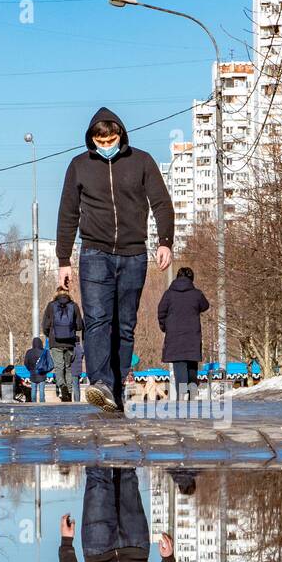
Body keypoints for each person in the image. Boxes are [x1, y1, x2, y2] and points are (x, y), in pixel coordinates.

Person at [56, 107, 175, 413]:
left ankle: (117, 388)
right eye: (100, 138)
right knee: (97, 320)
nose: (106, 144)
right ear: (91, 138)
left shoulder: (142, 161)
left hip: (134, 254)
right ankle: (101, 383)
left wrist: (165, 242)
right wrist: (63, 259)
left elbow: (161, 202)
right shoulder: (79, 165)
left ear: (121, 135)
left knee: (124, 326)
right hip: (94, 253)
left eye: (111, 138)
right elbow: (68, 212)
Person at [157, 265, 210, 401]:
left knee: (179, 363)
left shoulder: (168, 294)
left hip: (174, 336)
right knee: (192, 364)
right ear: (192, 278)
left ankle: (182, 393)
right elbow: (205, 306)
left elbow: (161, 311)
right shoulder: (197, 294)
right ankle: (192, 393)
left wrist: (165, 327)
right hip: (192, 335)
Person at [41, 288, 84, 402]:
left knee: (59, 367)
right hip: (70, 342)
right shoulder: (74, 306)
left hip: (55, 342)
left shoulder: (51, 306)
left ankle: (62, 386)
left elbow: (45, 324)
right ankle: (69, 393)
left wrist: (49, 334)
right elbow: (80, 325)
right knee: (68, 367)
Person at [22, 337, 52, 402]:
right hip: (42, 374)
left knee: (33, 390)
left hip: (33, 374)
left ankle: (33, 403)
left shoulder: (29, 352)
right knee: (41, 391)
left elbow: (26, 363)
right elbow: (50, 364)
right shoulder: (45, 352)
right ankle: (42, 404)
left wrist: (30, 369)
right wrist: (46, 371)